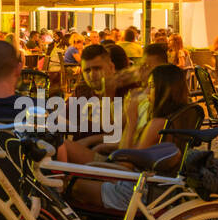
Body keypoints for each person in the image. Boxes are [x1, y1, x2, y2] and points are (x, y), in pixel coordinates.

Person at [67, 65, 191, 212]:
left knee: (70, 185)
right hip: (157, 188)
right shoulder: (179, 117)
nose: (147, 92)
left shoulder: (158, 124)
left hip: (136, 192)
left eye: (151, 86)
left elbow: (125, 166)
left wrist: (131, 120)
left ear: (164, 90)